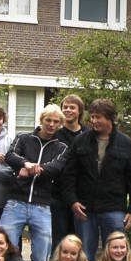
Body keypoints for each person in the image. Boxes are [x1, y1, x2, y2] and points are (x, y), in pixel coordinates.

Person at [61, 98, 131, 261]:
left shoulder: (126, 144)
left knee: (115, 257)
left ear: (110, 118)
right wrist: (72, 201)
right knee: (84, 257)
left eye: (98, 117)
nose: (93, 121)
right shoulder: (80, 141)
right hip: (84, 209)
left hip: (114, 208)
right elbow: (68, 175)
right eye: (92, 117)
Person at [0, 104, 69, 261]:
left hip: (42, 206)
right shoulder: (24, 138)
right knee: (4, 250)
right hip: (15, 203)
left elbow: (56, 168)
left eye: (56, 122)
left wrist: (30, 170)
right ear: (41, 120)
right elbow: (10, 155)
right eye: (48, 120)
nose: (51, 124)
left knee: (41, 257)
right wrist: (25, 163)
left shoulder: (61, 147)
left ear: (60, 124)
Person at [50, 94, 87, 250]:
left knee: (80, 241)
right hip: (58, 196)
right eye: (65, 107)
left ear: (79, 111)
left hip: (82, 195)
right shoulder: (55, 135)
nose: (68, 110)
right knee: (59, 241)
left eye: (72, 107)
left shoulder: (88, 134)